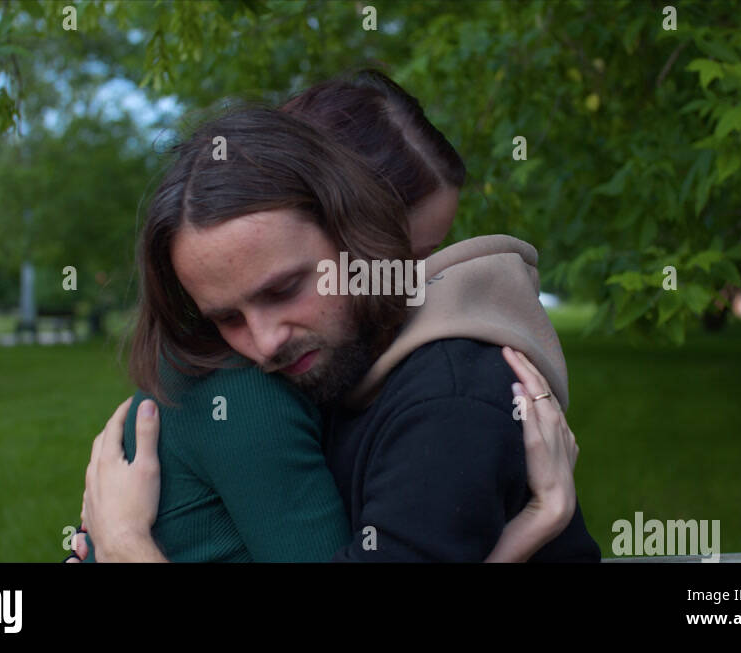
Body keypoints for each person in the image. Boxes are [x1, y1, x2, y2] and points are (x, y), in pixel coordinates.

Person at [74, 104, 599, 562]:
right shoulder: (244, 391)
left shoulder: (445, 395)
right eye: (226, 318)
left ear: (356, 234)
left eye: (284, 290)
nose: (265, 343)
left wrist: (124, 545)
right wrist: (536, 521)